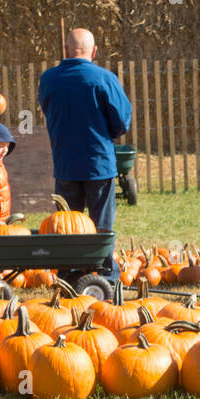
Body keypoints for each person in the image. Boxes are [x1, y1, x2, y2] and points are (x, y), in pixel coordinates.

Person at [38, 28, 131, 271]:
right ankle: (102, 271)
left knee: (65, 226)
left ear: (66, 50)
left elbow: (47, 111)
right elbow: (122, 121)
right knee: (101, 226)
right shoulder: (104, 78)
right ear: (94, 50)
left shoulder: (49, 79)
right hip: (98, 162)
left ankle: (69, 272)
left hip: (65, 163)